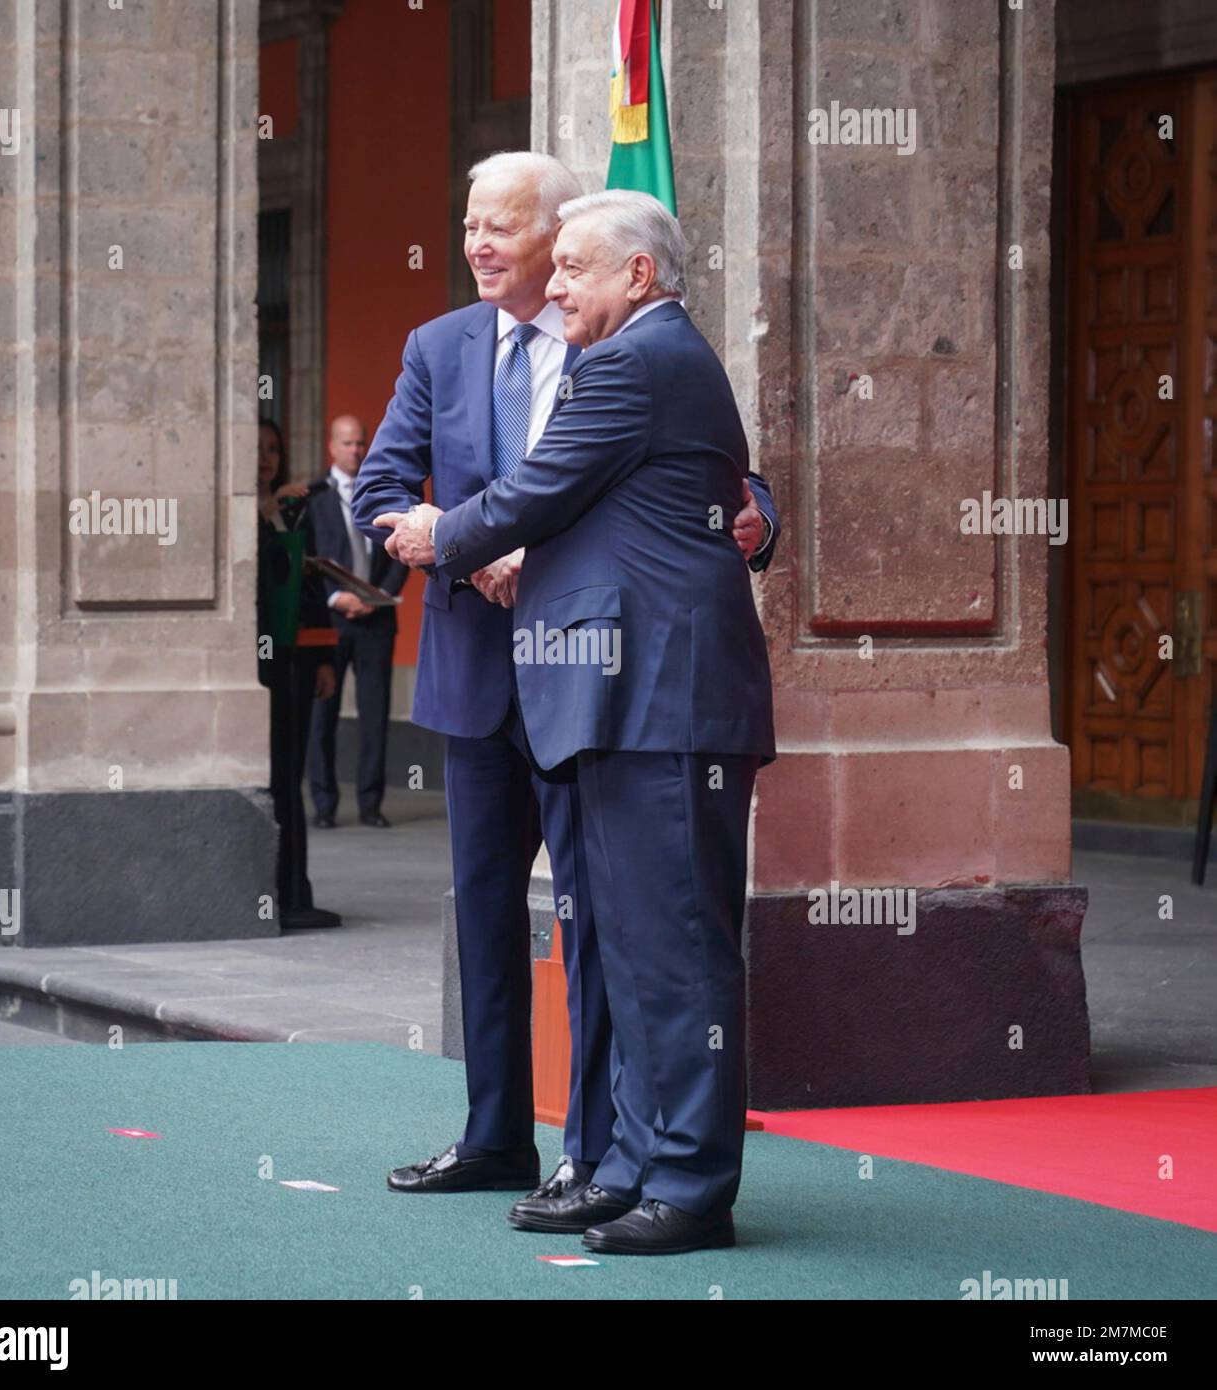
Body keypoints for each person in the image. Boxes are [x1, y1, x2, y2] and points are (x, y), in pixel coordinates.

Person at [352, 151, 777, 1228]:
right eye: (469, 224)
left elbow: (542, 491)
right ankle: (631, 1163)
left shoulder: (631, 361)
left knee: (665, 951)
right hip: (579, 694)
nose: (550, 288)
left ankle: (680, 1182)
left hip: (649, 697)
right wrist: (435, 532)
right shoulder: (555, 348)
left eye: (570, 266)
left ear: (636, 273)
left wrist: (448, 532)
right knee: (631, 944)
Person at [305, 415, 408, 829]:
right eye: (348, 443)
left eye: (361, 443)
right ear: (332, 446)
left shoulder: (379, 492)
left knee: (375, 715)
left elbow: (400, 552)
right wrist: (335, 596)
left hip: (376, 621)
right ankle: (324, 805)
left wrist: (376, 598)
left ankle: (370, 805)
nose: (356, 450)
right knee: (322, 715)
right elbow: (308, 560)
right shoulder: (314, 498)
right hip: (330, 620)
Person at [256, 418, 339, 930]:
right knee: (273, 775)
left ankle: (296, 890)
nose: (266, 457)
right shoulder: (240, 513)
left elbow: (311, 583)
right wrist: (262, 518)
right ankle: (271, 893)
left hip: (299, 661)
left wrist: (326, 656)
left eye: (273, 449)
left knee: (293, 773)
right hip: (260, 662)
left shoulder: (295, 510)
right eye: (257, 448)